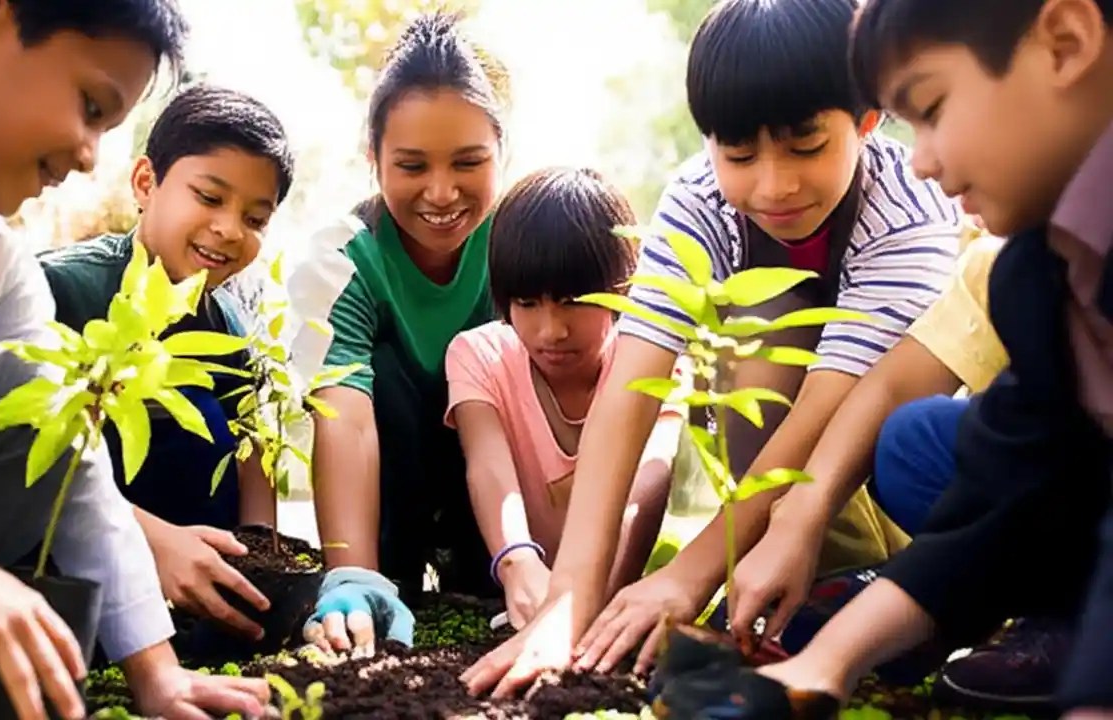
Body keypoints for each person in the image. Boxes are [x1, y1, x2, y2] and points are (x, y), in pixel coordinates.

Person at [464, 0, 965, 697]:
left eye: (806, 145)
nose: (773, 184)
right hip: (777, 467)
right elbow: (632, 387)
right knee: (750, 334)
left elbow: (838, 397)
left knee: (775, 336)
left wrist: (690, 574)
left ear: (867, 119)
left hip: (883, 456)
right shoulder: (698, 202)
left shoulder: (909, 208)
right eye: (739, 154)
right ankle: (810, 589)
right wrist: (570, 599)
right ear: (709, 143)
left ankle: (874, 579)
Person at [651, 0, 1113, 717]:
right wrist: (824, 668)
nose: (922, 159)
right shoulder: (1038, 278)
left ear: (1065, 41)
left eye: (931, 107)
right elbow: (1013, 478)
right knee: (931, 446)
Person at [0, 1, 269, 718]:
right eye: (90, 105)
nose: (89, 153)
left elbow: (79, 452)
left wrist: (156, 671)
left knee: (42, 404)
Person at [39, 84, 294, 641]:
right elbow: (20, 468)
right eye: (209, 197)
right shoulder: (64, 290)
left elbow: (253, 456)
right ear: (146, 183)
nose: (230, 229)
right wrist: (146, 542)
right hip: (67, 572)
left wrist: (255, 558)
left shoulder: (227, 323)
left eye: (255, 218)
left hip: (196, 583)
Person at [301, 11, 510, 655]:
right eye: (412, 165)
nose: (441, 192)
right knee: (388, 375)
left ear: (504, 154)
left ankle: (487, 573)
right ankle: (387, 578)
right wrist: (353, 577)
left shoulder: (522, 244)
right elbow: (347, 418)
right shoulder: (343, 258)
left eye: (468, 162)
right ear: (374, 159)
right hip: (395, 477)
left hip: (502, 497)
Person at [444, 167, 679, 631]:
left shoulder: (652, 360)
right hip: (502, 588)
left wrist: (589, 603)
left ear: (622, 290)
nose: (552, 330)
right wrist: (517, 562)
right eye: (528, 304)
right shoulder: (479, 355)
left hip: (612, 594)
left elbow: (647, 481)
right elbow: (488, 468)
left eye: (574, 300)